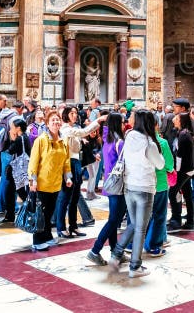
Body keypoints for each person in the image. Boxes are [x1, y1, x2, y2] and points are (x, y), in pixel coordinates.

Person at [108, 109, 165, 278]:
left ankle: (116, 255)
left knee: (133, 224)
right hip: (144, 188)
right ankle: (135, 266)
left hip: (129, 186)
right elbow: (161, 165)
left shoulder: (129, 136)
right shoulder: (149, 143)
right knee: (141, 228)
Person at [55, 107, 106, 238]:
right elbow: (83, 132)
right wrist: (98, 120)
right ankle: (61, 227)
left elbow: (80, 140)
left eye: (76, 113)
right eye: (71, 113)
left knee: (75, 197)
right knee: (65, 197)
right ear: (66, 115)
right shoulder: (65, 129)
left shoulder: (72, 128)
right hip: (68, 163)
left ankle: (73, 226)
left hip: (76, 163)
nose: (74, 115)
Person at [87, 113, 128, 265]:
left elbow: (104, 130)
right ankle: (95, 250)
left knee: (114, 219)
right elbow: (126, 164)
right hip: (119, 186)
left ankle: (115, 252)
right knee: (113, 221)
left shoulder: (107, 139)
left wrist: (103, 120)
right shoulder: (120, 142)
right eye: (122, 122)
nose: (124, 125)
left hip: (110, 183)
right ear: (118, 124)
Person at [28, 110, 72, 251]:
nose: (56, 122)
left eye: (58, 120)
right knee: (40, 214)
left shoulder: (63, 141)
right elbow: (33, 162)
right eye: (53, 120)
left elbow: (66, 161)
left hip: (55, 183)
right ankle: (37, 240)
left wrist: (68, 177)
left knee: (49, 213)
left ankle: (47, 237)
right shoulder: (41, 140)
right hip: (41, 183)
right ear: (47, 123)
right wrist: (32, 180)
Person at [144, 124, 174, 256]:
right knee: (159, 215)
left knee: (145, 216)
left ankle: (142, 242)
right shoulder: (161, 142)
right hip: (160, 184)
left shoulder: (140, 142)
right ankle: (154, 245)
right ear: (155, 125)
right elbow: (169, 164)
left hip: (143, 184)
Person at [167, 112, 194, 231]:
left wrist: (176, 171)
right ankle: (190, 221)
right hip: (188, 168)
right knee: (187, 194)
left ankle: (176, 220)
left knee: (172, 193)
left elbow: (180, 155)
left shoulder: (184, 134)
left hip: (184, 169)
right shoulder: (183, 133)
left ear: (182, 121)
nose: (174, 119)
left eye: (177, 118)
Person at [1, 118, 31, 223]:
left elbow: (9, 151)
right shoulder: (24, 137)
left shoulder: (20, 139)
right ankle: (10, 215)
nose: (11, 129)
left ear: (18, 128)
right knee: (11, 192)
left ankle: (32, 213)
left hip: (19, 171)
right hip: (18, 170)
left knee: (21, 193)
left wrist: (12, 139)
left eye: (13, 127)